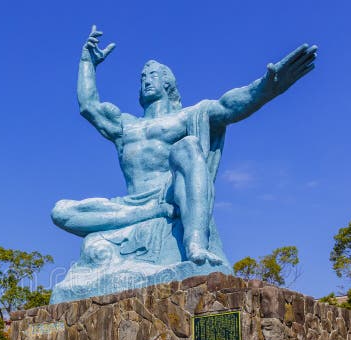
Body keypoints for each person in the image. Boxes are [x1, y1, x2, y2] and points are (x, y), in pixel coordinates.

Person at [52, 26, 317, 265]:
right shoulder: (124, 126)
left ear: (167, 83)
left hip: (169, 196)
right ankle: (149, 213)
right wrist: (87, 62)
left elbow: (229, 105)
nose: (145, 80)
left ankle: (194, 242)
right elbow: (89, 106)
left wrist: (266, 88)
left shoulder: (188, 116)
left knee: (188, 146)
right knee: (61, 211)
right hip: (132, 205)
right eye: (142, 77)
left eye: (152, 75)